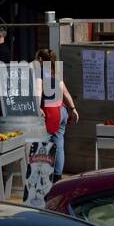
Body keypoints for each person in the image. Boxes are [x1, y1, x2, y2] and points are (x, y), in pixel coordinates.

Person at [35, 48, 79, 179]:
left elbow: (38, 90)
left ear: (41, 60)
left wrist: (37, 108)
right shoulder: (55, 72)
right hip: (62, 110)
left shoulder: (40, 72)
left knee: (41, 144)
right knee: (59, 146)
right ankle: (58, 176)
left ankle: (41, 177)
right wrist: (73, 109)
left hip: (50, 112)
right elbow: (65, 92)